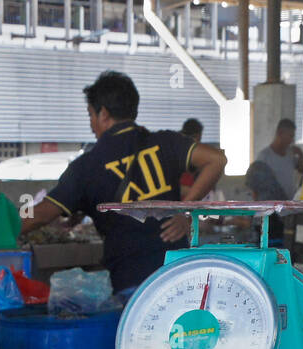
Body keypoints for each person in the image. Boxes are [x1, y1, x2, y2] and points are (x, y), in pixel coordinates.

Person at [17, 72, 227, 293]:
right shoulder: (165, 142)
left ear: (104, 114)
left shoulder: (87, 166)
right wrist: (185, 211)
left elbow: (39, 214)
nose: (91, 125)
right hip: (178, 276)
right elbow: (217, 160)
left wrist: (5, 225)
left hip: (130, 280)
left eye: (91, 115)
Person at [255, 118, 303, 200]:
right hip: (271, 206)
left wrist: (301, 154)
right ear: (280, 133)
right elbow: (256, 185)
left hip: (289, 205)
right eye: (290, 136)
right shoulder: (264, 156)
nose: (292, 140)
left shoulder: (290, 154)